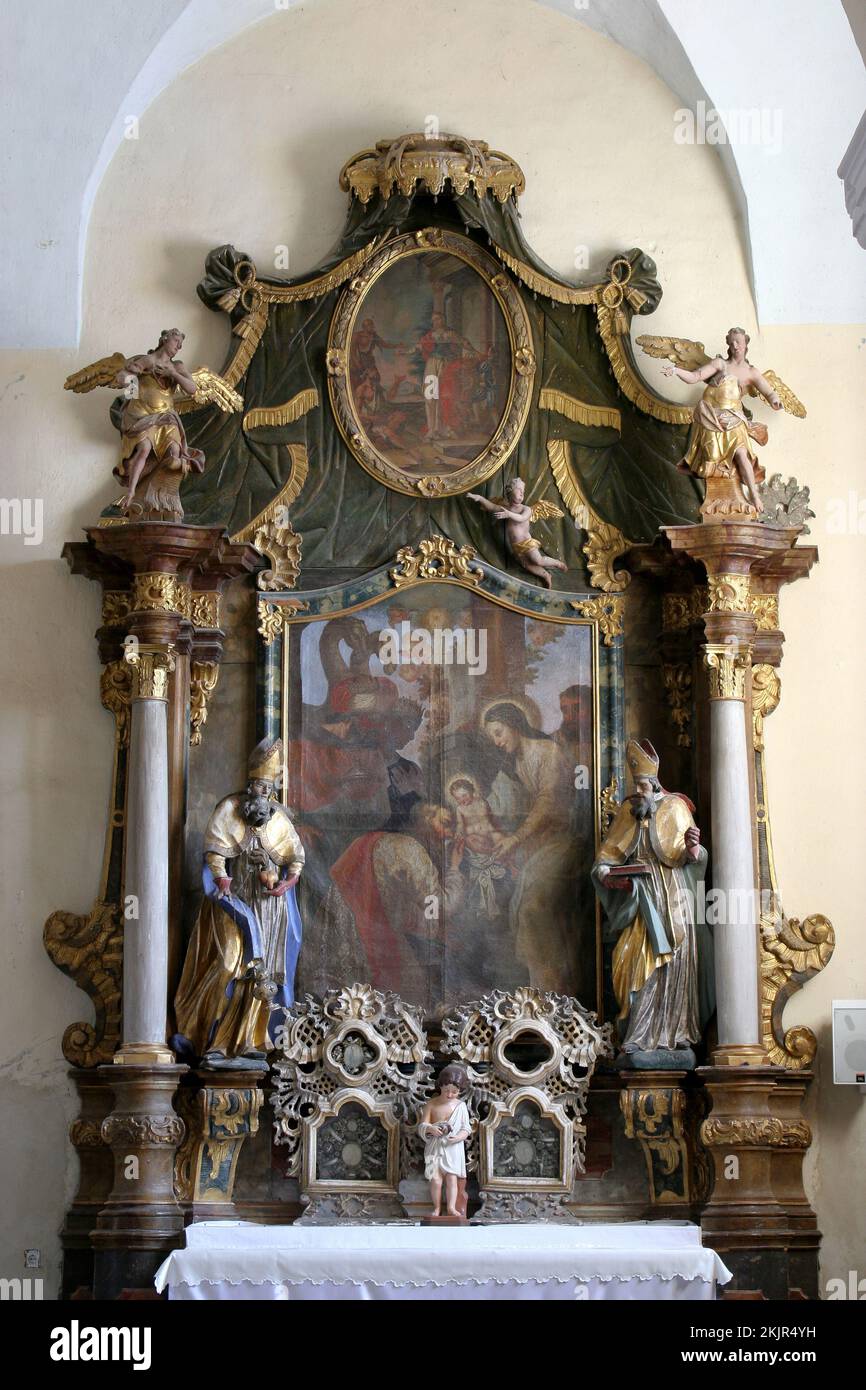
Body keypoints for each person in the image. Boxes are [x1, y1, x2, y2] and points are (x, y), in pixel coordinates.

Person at [173, 738, 305, 1070]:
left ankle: (252, 1042)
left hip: (270, 910)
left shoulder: (279, 821)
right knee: (229, 965)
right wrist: (222, 878)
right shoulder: (230, 810)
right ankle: (213, 1040)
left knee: (264, 976)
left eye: (265, 786)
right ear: (248, 786)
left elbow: (295, 858)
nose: (259, 792)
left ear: (273, 789)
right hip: (233, 908)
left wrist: (286, 880)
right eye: (255, 785)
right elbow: (215, 852)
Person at [591, 738, 714, 1065]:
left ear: (656, 784)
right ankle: (637, 1036)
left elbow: (695, 857)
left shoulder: (676, 807)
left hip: (673, 898)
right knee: (633, 962)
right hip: (639, 899)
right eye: (637, 786)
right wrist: (607, 873)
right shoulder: (628, 812)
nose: (640, 792)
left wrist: (692, 849)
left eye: (645, 786)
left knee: (672, 962)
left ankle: (673, 1036)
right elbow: (605, 858)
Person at [663, 326, 781, 515]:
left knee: (742, 454)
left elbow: (768, 391)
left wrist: (775, 400)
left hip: (734, 419)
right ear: (728, 344)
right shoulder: (720, 364)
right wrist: (676, 370)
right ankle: (715, 498)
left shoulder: (751, 371)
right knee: (711, 460)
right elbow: (696, 377)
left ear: (745, 345)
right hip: (712, 419)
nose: (735, 346)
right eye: (732, 342)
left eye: (739, 342)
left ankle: (754, 494)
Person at [113, 328, 205, 513]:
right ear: (164, 339)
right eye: (176, 341)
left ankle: (165, 497)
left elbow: (192, 389)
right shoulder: (147, 360)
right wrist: (128, 377)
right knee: (144, 449)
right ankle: (131, 493)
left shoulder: (177, 366)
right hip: (143, 415)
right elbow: (126, 381)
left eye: (180, 344)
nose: (178, 346)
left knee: (174, 454)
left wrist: (173, 375)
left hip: (167, 417)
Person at [418, 1064, 472, 1218]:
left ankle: (451, 1208)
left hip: (452, 1148)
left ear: (460, 1091)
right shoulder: (431, 1104)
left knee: (451, 1180)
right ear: (440, 1085)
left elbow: (466, 1128)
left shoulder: (461, 1107)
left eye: (454, 1092)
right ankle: (436, 1208)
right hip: (434, 1147)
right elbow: (422, 1125)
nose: (449, 1094)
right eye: (447, 1090)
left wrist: (458, 1137)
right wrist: (430, 1129)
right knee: (435, 1179)